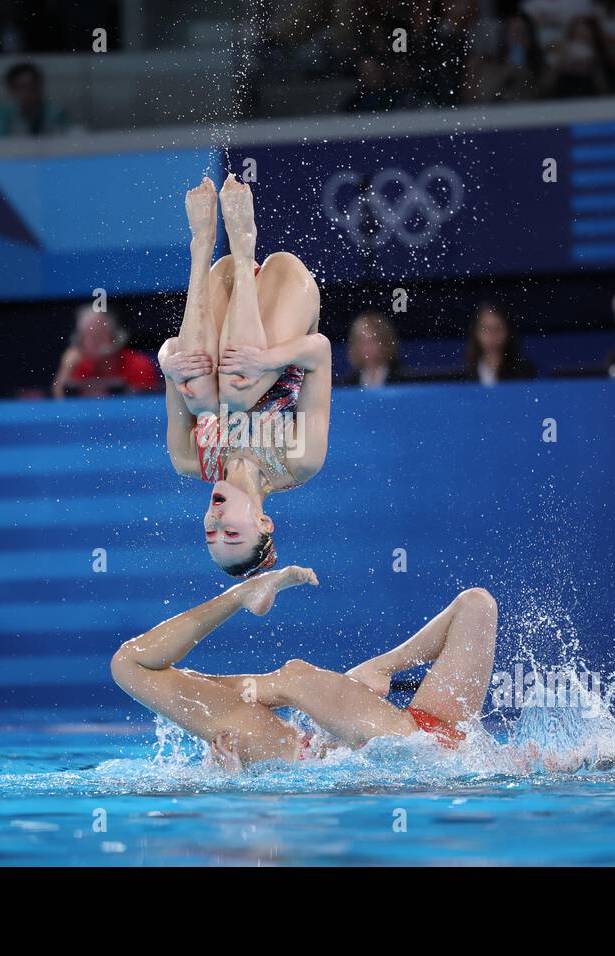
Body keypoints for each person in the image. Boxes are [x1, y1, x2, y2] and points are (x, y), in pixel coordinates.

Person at [111, 566, 504, 769]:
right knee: (477, 605)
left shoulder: (265, 740)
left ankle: (373, 668)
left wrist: (226, 785)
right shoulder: (268, 743)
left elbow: (138, 665)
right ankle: (373, 669)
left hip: (417, 741)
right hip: (423, 739)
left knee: (477, 604)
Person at [158, 175, 332, 577]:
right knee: (235, 391)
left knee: (201, 396)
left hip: (221, 283)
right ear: (262, 522)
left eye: (209, 536)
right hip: (287, 290)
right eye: (231, 535)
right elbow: (319, 350)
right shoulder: (298, 460)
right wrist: (266, 361)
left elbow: (172, 357)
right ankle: (243, 241)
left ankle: (200, 246)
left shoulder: (188, 459)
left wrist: (167, 362)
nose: (216, 525)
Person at [52, 307, 161, 398]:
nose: (94, 343)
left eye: (98, 336)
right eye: (87, 337)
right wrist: (66, 369)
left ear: (116, 336)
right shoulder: (80, 367)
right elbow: (63, 408)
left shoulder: (140, 366)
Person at [463, 302, 538, 384]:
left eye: (498, 328)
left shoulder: (524, 371)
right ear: (475, 332)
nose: (492, 336)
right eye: (486, 329)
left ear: (509, 332)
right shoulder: (465, 375)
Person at [0, 62, 68, 136]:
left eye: (34, 85)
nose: (30, 90)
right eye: (25, 86)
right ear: (13, 90)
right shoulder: (4, 114)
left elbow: (63, 137)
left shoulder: (55, 111)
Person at [343, 311, 403, 387]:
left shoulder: (405, 379)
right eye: (361, 340)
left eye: (372, 340)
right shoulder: (347, 385)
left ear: (385, 342)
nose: (366, 346)